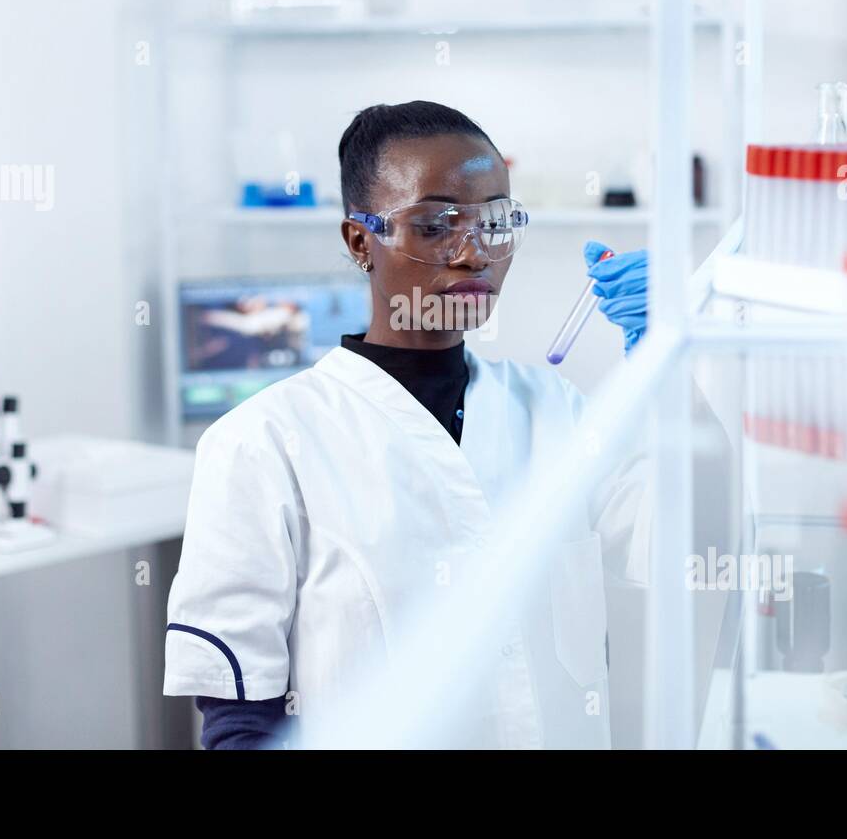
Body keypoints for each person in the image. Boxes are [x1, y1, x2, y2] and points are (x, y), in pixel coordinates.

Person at [164, 101, 651, 748]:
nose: (474, 252)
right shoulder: (260, 444)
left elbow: (670, 557)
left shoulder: (556, 409)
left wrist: (665, 371)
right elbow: (240, 723)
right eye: (436, 224)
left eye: (495, 222)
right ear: (359, 240)